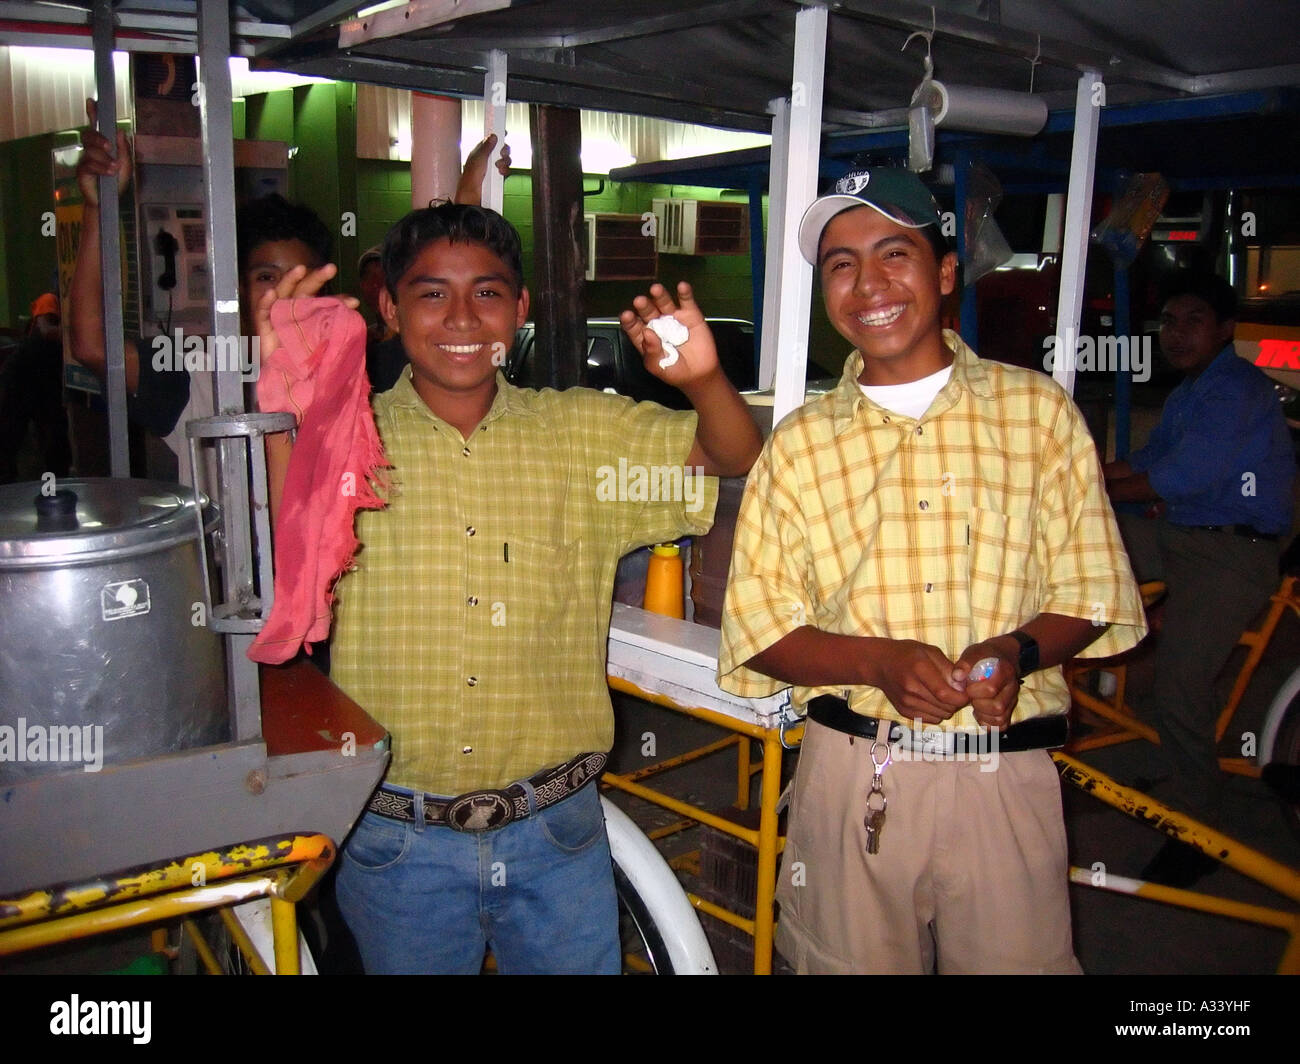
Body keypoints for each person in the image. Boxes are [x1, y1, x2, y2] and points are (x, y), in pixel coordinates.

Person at [252, 201, 761, 973]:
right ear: (389, 309)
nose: (461, 315)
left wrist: (705, 379)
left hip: (556, 831)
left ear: (519, 309)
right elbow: (291, 551)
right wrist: (289, 404)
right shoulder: (351, 437)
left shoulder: (586, 434)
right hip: (394, 838)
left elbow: (730, 453)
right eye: (430, 293)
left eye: (487, 292)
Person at [717, 167, 1147, 974]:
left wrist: (1015, 653)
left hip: (1003, 777)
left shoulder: (1038, 414)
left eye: (893, 253)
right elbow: (761, 627)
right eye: (840, 264)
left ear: (944, 273)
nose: (867, 284)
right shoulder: (801, 444)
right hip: (851, 781)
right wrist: (877, 662)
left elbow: (1090, 591)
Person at [1104, 271, 1294, 886]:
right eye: (1169, 322)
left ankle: (1199, 821)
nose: (1176, 334)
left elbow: (1175, 479)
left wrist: (1092, 489)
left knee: (1180, 683)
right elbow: (1146, 462)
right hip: (1183, 536)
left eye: (1192, 321)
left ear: (1225, 329)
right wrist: (1078, 472)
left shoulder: (1233, 390)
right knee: (1076, 547)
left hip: (1229, 555)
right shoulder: (1192, 391)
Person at [69, 100, 338, 485]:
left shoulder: (348, 366)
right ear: (238, 287)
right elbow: (92, 347)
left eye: (301, 278)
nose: (284, 294)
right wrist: (98, 209)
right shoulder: (200, 370)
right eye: (266, 277)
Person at [0, 293, 72, 484]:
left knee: (55, 429)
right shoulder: (49, 300)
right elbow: (46, 330)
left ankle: (57, 478)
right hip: (22, 375)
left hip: (45, 376)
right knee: (12, 430)